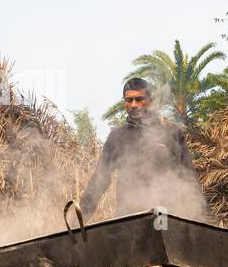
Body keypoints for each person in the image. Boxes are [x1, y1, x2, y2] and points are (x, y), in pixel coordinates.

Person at [78, 77, 205, 221]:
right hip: (127, 218)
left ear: (150, 101)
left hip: (165, 218)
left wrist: (199, 221)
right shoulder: (117, 137)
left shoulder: (171, 132)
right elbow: (99, 181)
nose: (133, 105)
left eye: (139, 99)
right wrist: (77, 223)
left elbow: (189, 180)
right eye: (129, 100)